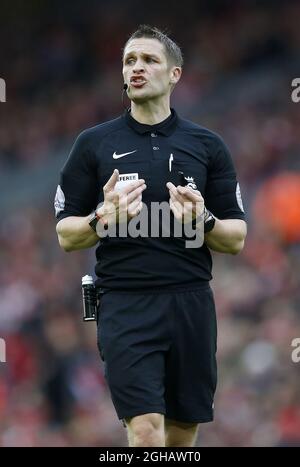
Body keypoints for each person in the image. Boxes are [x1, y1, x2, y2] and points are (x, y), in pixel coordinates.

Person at [55, 25, 247, 447]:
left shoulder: (208, 145)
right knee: (145, 431)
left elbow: (236, 237)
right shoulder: (93, 144)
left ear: (175, 73)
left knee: (181, 436)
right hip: (125, 301)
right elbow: (66, 234)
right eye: (129, 61)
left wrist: (205, 221)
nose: (137, 68)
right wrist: (101, 217)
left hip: (191, 301)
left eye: (149, 60)